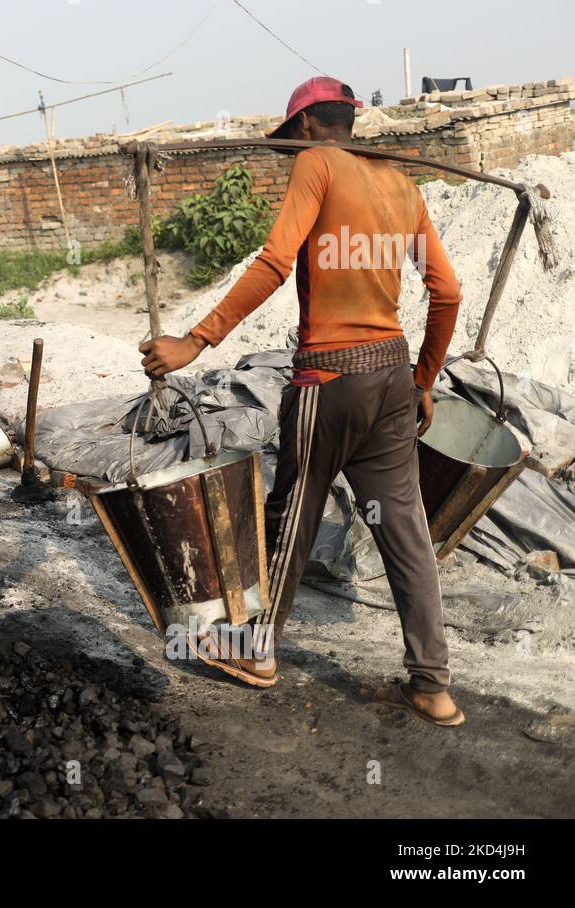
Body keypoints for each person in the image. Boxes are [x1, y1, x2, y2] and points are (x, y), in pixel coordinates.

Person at [140, 77, 466, 726]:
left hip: (329, 378)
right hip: (393, 376)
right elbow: (448, 292)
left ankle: (259, 651)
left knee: (292, 510)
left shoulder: (317, 166)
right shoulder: (402, 185)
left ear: (313, 126)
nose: (291, 150)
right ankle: (433, 686)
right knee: (407, 533)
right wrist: (425, 379)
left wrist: (194, 342)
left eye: (293, 136)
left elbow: (273, 264)